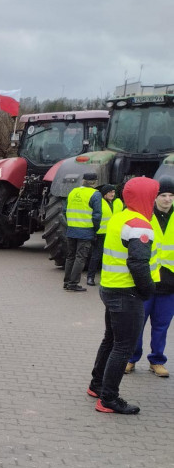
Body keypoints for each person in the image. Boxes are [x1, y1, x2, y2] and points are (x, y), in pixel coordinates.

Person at [88, 176, 158, 414]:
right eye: (154, 195)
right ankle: (108, 399)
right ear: (147, 197)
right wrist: (148, 290)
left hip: (110, 287)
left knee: (110, 340)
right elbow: (138, 263)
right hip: (127, 293)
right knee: (123, 347)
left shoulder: (120, 217)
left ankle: (97, 385)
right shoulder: (140, 225)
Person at [127, 177, 174, 377]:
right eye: (163, 195)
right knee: (137, 324)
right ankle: (131, 358)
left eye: (171, 195)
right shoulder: (145, 217)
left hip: (170, 283)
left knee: (161, 326)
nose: (167, 199)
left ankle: (157, 360)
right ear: (155, 197)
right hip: (146, 281)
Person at [63, 173, 102, 292]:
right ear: (95, 182)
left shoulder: (73, 192)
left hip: (71, 229)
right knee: (80, 258)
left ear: (83, 181)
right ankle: (73, 283)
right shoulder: (95, 194)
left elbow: (64, 210)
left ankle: (67, 282)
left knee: (70, 256)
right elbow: (97, 216)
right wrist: (95, 229)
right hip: (85, 231)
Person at [87, 184, 122, 286]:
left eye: (113, 192)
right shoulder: (99, 203)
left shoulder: (118, 203)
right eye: (110, 192)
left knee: (112, 257)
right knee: (96, 256)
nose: (112, 194)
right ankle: (90, 277)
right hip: (101, 234)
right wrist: (94, 232)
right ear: (104, 193)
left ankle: (109, 278)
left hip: (114, 234)